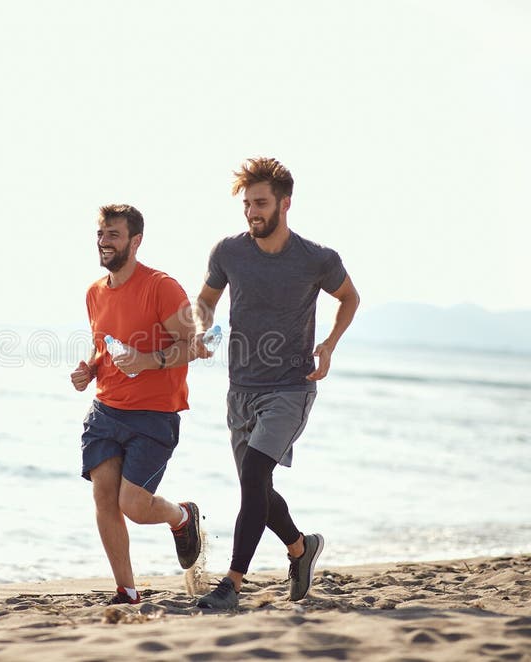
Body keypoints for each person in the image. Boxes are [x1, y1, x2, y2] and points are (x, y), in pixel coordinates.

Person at [193, 157, 360, 609]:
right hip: (240, 388)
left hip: (290, 386)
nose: (252, 212)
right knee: (257, 490)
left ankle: (232, 584)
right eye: (247, 204)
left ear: (285, 203)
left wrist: (328, 344)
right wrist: (201, 328)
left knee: (252, 476)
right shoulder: (228, 252)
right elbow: (206, 301)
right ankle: (301, 548)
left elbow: (349, 297)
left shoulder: (316, 259)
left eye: (261, 203)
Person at [70, 203, 205, 605]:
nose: (104, 242)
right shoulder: (94, 293)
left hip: (154, 414)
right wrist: (89, 370)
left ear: (135, 240)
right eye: (100, 234)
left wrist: (147, 360)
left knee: (133, 506)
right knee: (103, 496)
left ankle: (181, 517)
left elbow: (193, 347)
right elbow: (104, 348)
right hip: (106, 411)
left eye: (113, 234)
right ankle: (126, 591)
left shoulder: (162, 287)